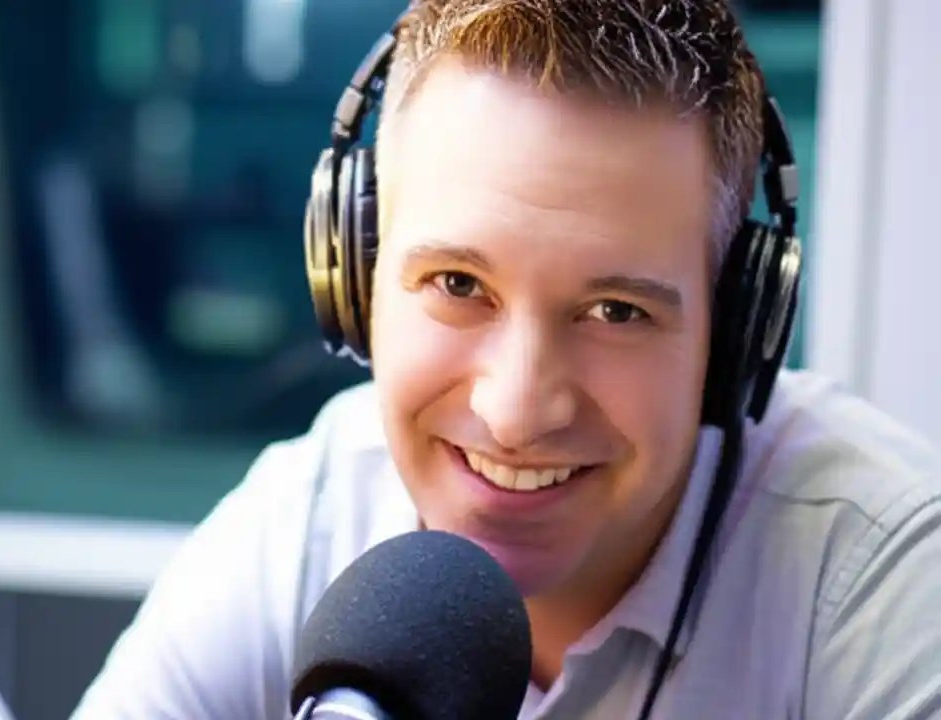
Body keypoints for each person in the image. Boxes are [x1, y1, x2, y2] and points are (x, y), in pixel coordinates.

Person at [74, 1, 941, 718]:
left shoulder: (884, 583)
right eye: (458, 283)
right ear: (358, 276)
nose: (518, 411)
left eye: (616, 311)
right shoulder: (310, 521)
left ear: (736, 331)